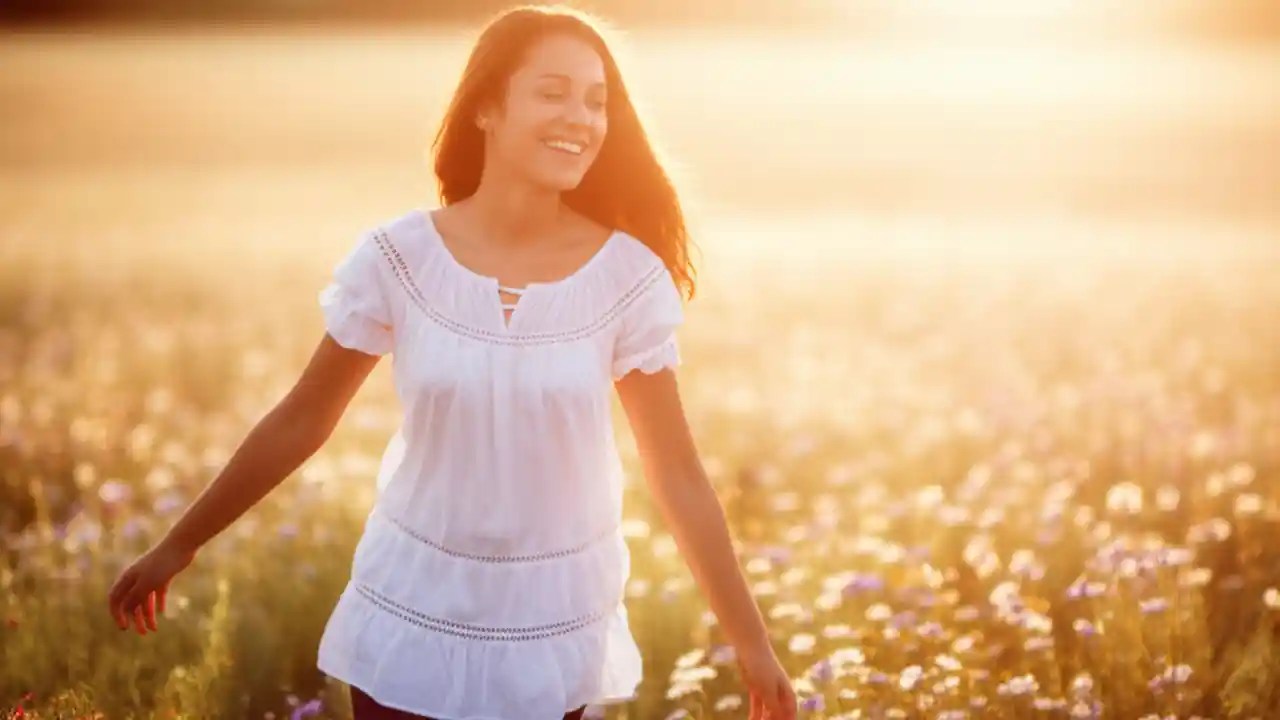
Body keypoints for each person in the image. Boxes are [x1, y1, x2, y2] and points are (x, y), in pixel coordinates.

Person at [106, 4, 798, 719]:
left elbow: (676, 472)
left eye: (597, 101)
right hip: (413, 606)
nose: (582, 118)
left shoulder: (628, 279)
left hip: (553, 620)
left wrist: (753, 646)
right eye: (553, 92)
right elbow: (303, 419)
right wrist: (179, 544)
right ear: (487, 109)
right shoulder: (398, 259)